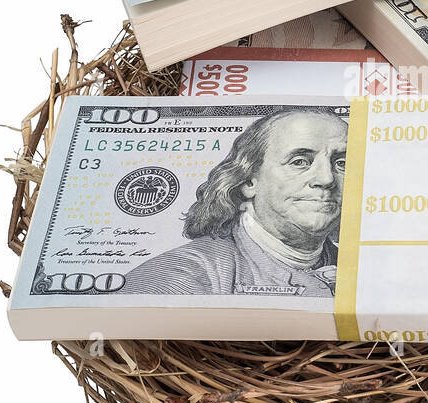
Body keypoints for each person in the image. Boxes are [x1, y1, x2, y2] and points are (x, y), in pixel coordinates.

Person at [120, 109, 348, 297]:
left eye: (342, 163)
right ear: (249, 181)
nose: (327, 179)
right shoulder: (176, 277)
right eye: (299, 162)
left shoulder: (364, 268)